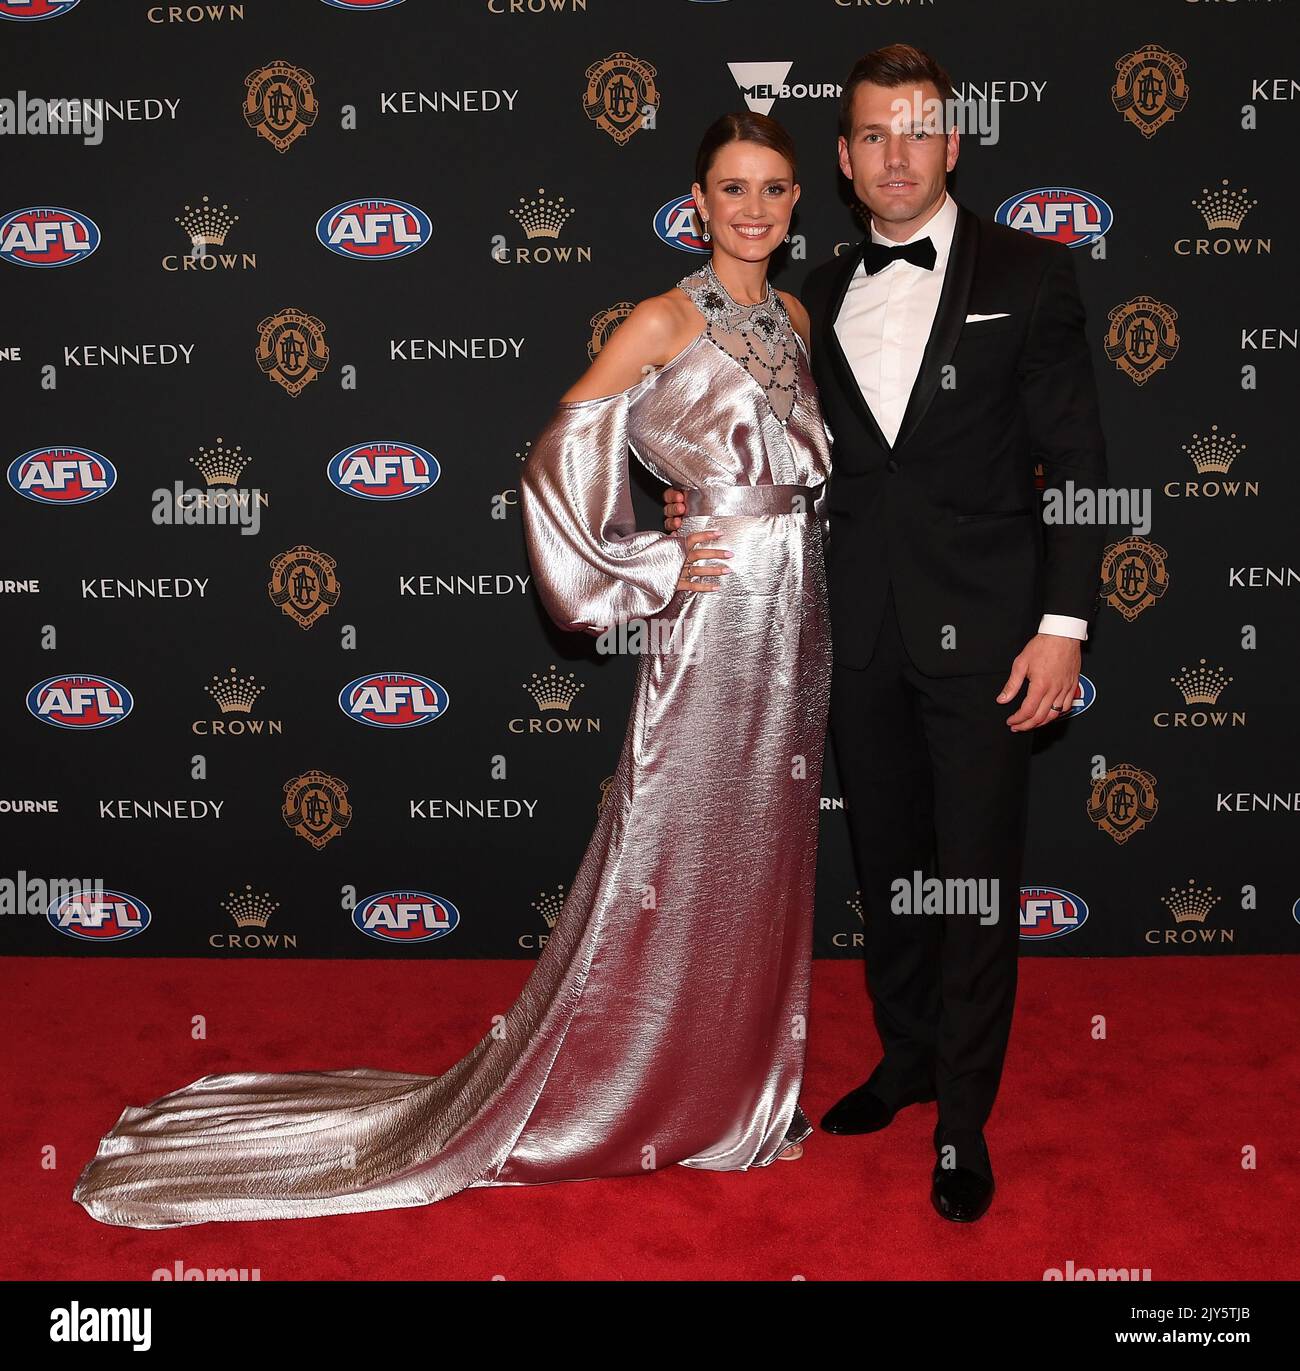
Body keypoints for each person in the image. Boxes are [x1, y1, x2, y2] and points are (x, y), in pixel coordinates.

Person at [70, 111, 833, 1229]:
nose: (753, 208)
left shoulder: (798, 316)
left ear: (795, 199)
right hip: (714, 616)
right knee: (678, 838)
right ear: (697, 203)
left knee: (761, 851)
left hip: (797, 612)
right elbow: (551, 463)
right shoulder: (661, 321)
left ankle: (729, 1096)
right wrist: (652, 555)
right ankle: (613, 1094)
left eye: (771, 188)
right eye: (732, 189)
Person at [664, 45, 1107, 1222]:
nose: (894, 154)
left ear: (953, 145)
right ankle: (906, 1057)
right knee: (894, 872)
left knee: (970, 884)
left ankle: (963, 1121)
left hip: (990, 638)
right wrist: (692, 502)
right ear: (848, 161)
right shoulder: (810, 289)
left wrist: (1063, 624)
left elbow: (1077, 462)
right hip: (851, 631)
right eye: (869, 135)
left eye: (917, 131)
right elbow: (762, 443)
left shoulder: (1034, 270)